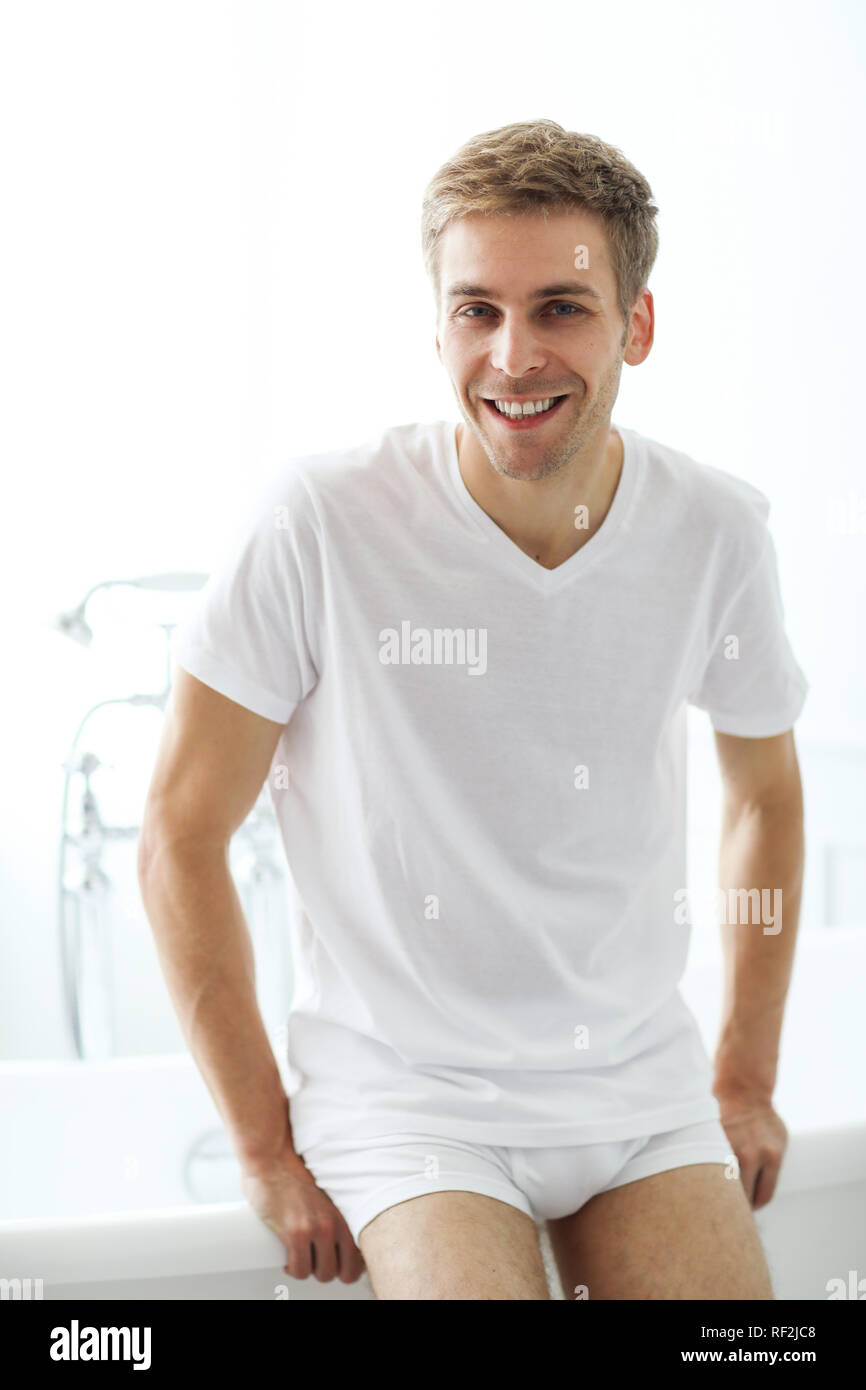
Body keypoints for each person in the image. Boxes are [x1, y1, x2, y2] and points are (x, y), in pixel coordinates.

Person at [138, 119, 808, 1300]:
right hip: (407, 1100)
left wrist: (742, 1077)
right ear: (436, 320)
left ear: (635, 326)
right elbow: (178, 832)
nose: (511, 356)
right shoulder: (320, 521)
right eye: (475, 309)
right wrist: (261, 1147)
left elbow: (761, 788)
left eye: (560, 307)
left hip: (634, 1087)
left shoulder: (711, 530)